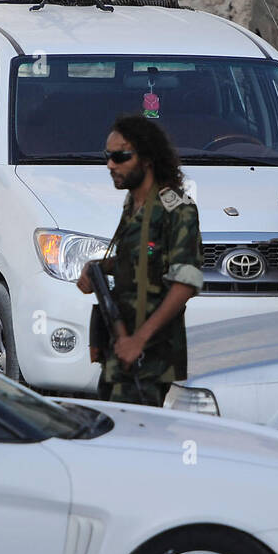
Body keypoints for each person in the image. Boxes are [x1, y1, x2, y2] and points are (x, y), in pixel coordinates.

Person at [77, 114, 203, 406]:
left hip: (148, 356)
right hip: (119, 348)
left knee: (138, 438)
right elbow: (137, 258)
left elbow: (186, 282)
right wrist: (96, 268)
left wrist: (139, 340)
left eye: (120, 156)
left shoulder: (176, 209)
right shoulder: (133, 203)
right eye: (108, 156)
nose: (111, 164)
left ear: (147, 158)